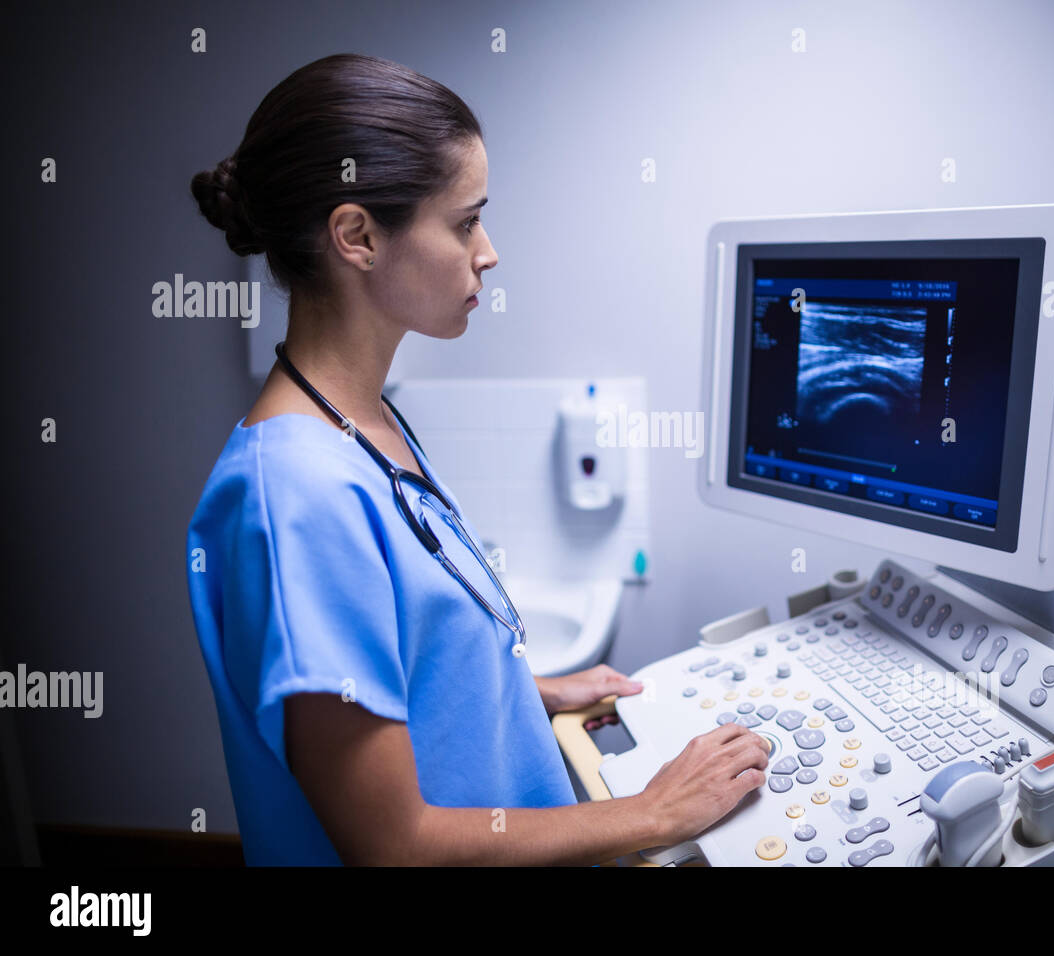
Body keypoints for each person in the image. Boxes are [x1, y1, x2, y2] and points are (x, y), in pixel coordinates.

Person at [185, 53, 767, 865]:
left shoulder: (367, 424)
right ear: (356, 237)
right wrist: (655, 813)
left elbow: (398, 686)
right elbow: (394, 843)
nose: (487, 252)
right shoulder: (295, 495)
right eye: (465, 222)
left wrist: (520, 692)